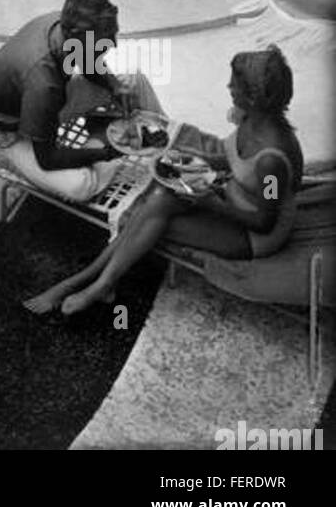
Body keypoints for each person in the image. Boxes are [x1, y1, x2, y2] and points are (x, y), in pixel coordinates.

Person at [23, 46, 304, 316]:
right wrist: (193, 155)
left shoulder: (272, 159)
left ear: (253, 99)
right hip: (229, 197)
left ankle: (92, 283)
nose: (228, 88)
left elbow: (264, 222)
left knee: (152, 219)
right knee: (160, 198)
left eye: (234, 87)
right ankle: (97, 283)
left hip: (255, 234)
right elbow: (234, 160)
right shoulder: (250, 119)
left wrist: (210, 203)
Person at [0, 0, 166, 202]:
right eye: (104, 40)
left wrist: (114, 85)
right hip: (4, 137)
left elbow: (87, 60)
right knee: (81, 186)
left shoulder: (64, 24)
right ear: (76, 37)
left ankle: (168, 142)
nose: (114, 44)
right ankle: (99, 134)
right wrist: (109, 152)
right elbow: (47, 159)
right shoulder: (43, 84)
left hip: (34, 104)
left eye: (113, 34)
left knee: (132, 82)